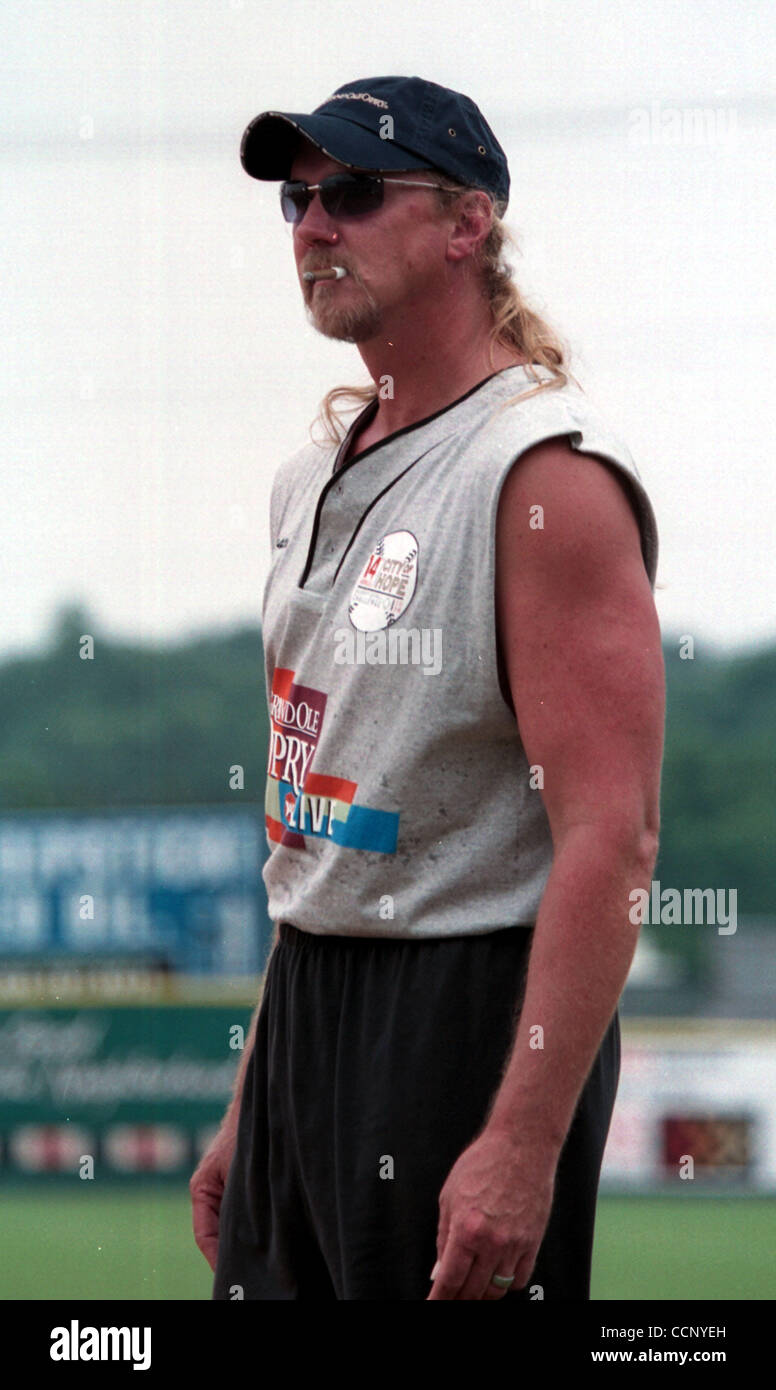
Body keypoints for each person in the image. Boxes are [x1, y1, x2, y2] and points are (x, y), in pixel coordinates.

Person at [190, 75, 665, 1301]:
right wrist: (260, 1096)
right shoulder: (310, 474)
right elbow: (320, 836)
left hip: (464, 1012)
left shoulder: (540, 474)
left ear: (467, 223)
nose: (310, 225)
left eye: (350, 190)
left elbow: (609, 840)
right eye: (295, 200)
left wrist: (518, 1141)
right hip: (310, 1004)